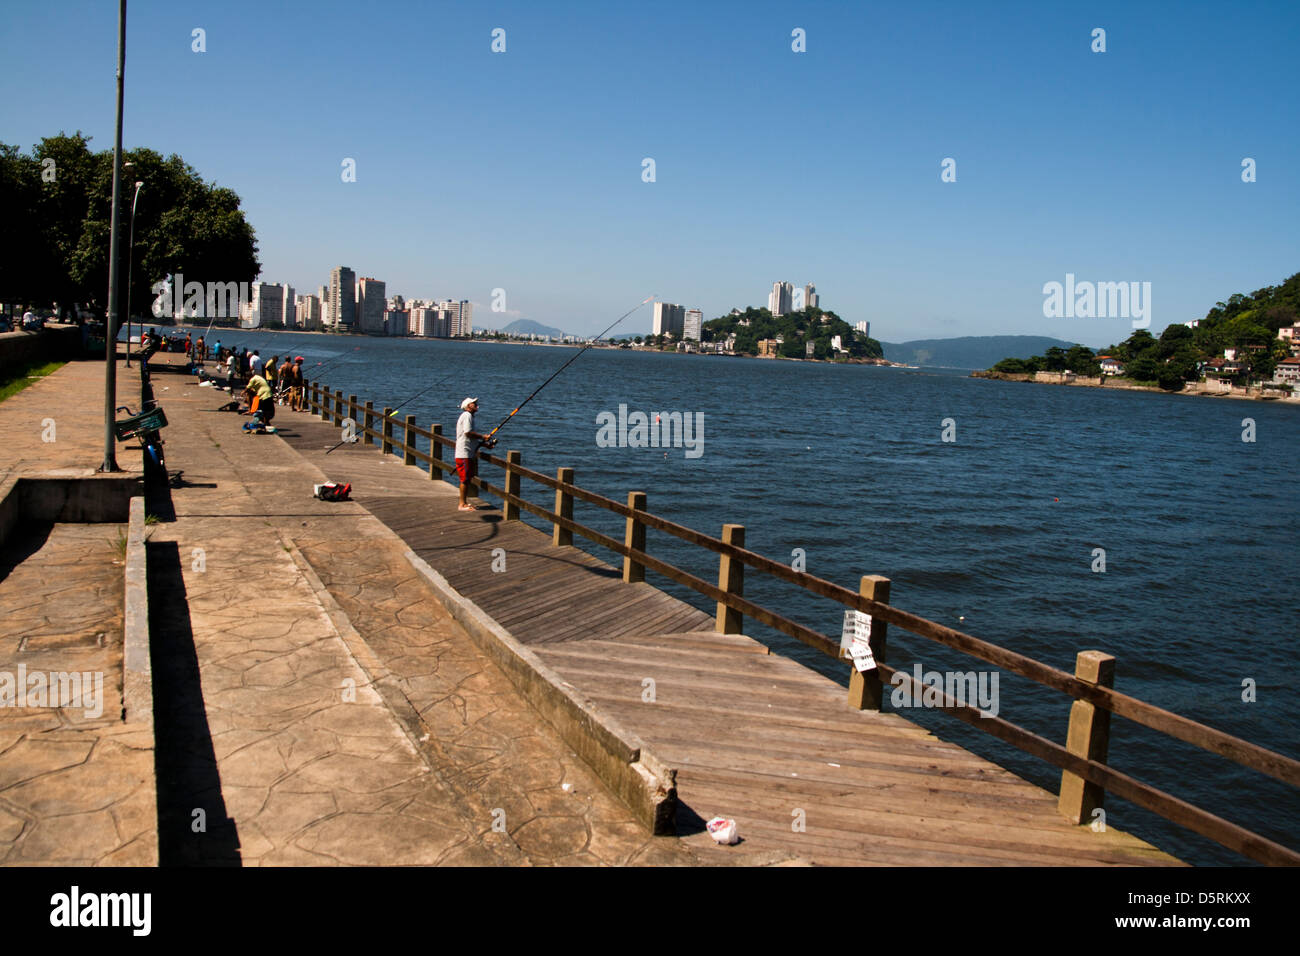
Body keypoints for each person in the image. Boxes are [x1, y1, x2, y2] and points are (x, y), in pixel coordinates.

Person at [454, 397, 494, 512]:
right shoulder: (466, 416)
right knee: (465, 479)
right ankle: (462, 504)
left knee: (467, 478)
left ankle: (464, 502)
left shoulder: (469, 417)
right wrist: (483, 437)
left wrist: (485, 444)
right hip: (464, 454)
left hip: (467, 453)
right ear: (468, 406)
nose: (476, 404)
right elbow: (468, 433)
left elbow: (471, 438)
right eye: (473, 403)